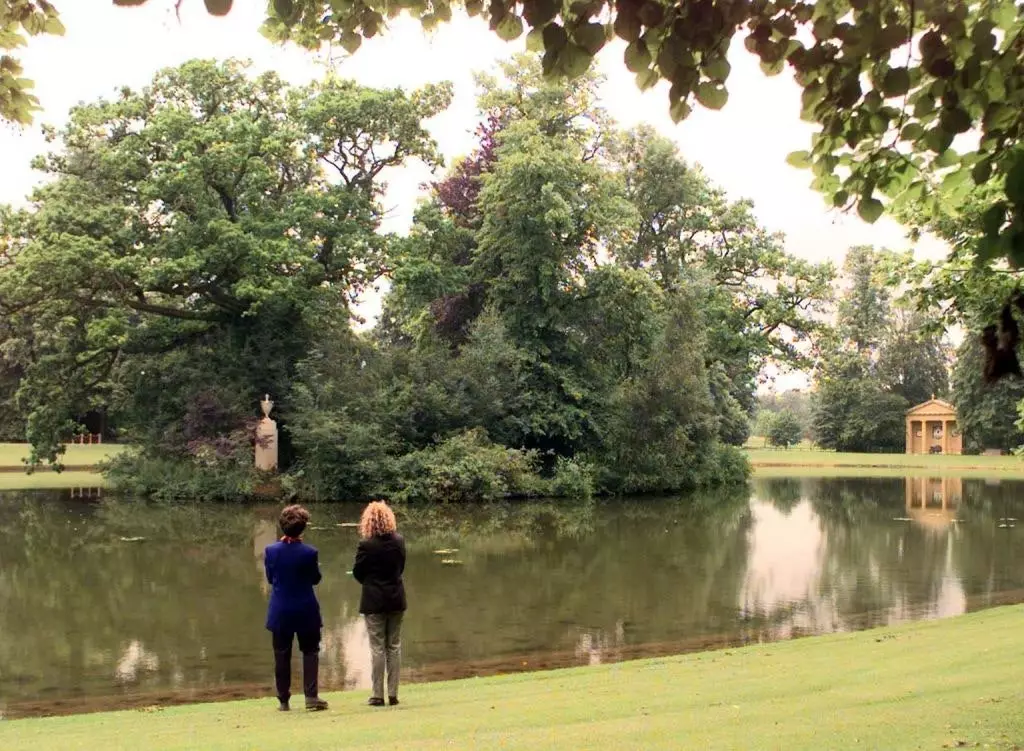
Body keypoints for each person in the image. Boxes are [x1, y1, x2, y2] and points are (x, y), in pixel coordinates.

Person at [264, 504, 329, 712]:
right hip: (305, 609)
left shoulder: (271, 551)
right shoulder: (310, 553)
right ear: (303, 528)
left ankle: (283, 700)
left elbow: (270, 579)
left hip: (280, 610)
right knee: (310, 651)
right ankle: (311, 697)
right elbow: (316, 579)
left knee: (281, 654)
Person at [352, 500, 407, 707]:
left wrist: (370, 582)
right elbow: (400, 567)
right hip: (396, 598)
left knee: (377, 648)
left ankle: (377, 695)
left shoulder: (366, 545)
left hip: (373, 600)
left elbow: (358, 572)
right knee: (394, 646)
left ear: (368, 521)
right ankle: (393, 694)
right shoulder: (399, 541)